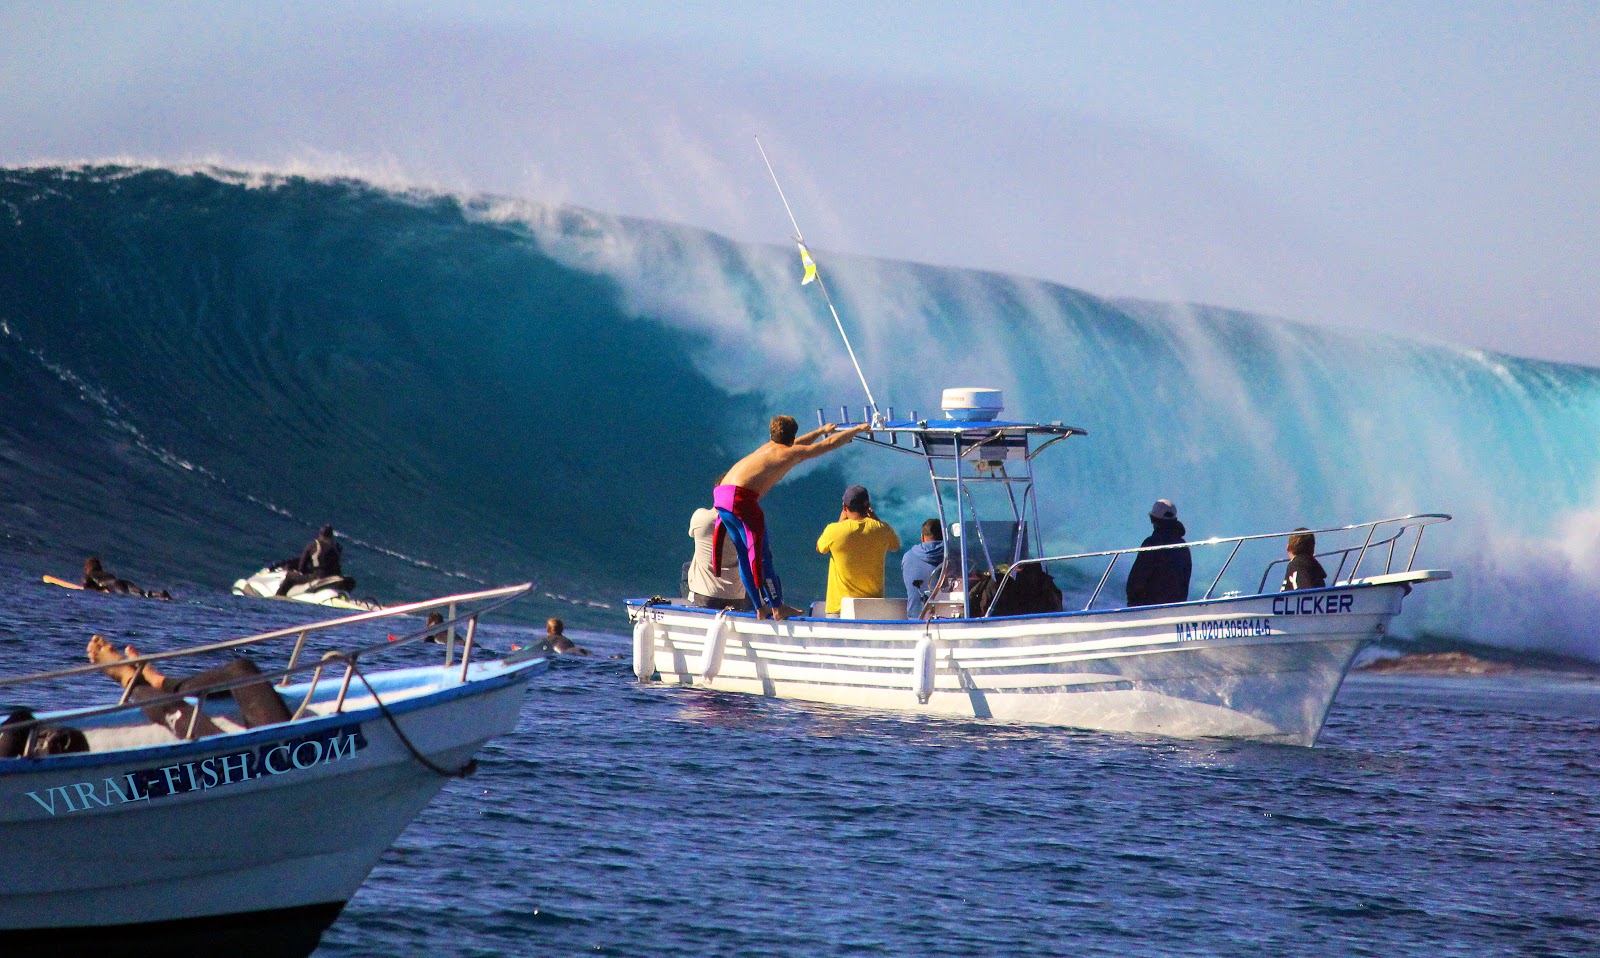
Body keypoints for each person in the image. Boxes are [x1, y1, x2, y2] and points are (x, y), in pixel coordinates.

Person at [715, 415, 869, 619]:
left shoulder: (768, 448)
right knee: (762, 556)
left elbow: (796, 445)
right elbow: (829, 444)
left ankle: (760, 608)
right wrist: (858, 428)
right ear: (792, 435)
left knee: (744, 556)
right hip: (741, 500)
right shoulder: (787, 453)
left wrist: (820, 431)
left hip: (722, 497)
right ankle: (777, 608)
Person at [87, 634, 290, 738]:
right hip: (295, 749)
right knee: (242, 669)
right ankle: (161, 682)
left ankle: (130, 680)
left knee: (173, 707)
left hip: (277, 764)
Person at [816, 485, 902, 616]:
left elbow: (820, 548)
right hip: (873, 608)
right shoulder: (883, 529)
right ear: (868, 505)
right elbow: (895, 545)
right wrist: (875, 518)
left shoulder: (834, 530)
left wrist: (840, 522)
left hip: (839, 608)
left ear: (845, 507)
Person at [686, 482, 752, 610]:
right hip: (737, 597)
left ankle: (689, 604)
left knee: (687, 567)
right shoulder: (745, 524)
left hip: (706, 595)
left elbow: (692, 534)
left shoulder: (700, 516)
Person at [1125, 498, 1192, 607]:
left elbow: (1136, 581)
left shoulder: (1151, 544)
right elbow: (1185, 581)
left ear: (1153, 520)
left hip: (1149, 609)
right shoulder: (1183, 546)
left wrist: (1132, 605)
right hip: (1176, 609)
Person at [276, 524, 345, 596]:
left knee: (290, 576)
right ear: (331, 535)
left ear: (320, 534)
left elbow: (301, 568)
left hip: (318, 577)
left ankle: (278, 596)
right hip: (333, 577)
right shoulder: (337, 547)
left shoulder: (313, 545)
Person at [901, 518, 946, 618]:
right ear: (945, 536)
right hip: (949, 619)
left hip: (916, 620)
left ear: (922, 537)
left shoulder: (908, 556)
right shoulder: (953, 555)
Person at [81, 557, 169, 599]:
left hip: (113, 585)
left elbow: (87, 586)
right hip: (123, 582)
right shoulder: (107, 574)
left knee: (125, 596)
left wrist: (98, 589)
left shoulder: (89, 575)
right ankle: (160, 595)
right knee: (140, 592)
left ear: (87, 568)